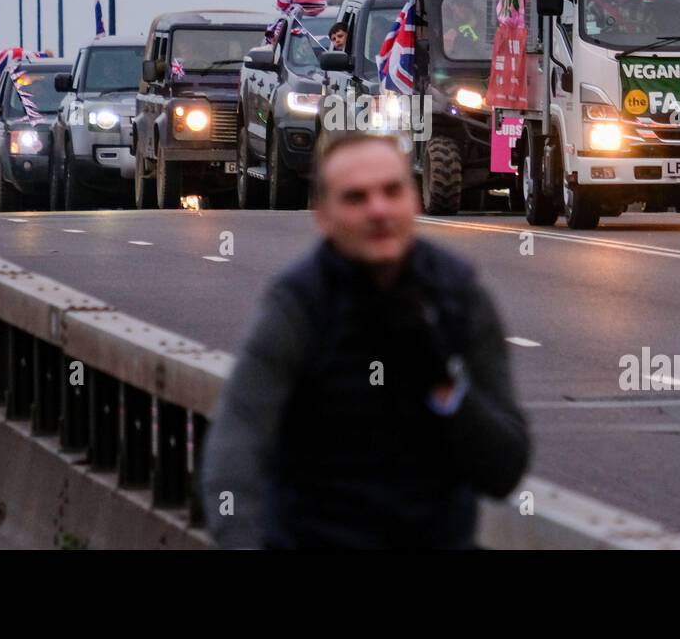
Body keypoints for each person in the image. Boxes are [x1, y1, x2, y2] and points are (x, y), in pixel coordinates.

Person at [200, 132, 530, 548]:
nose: (378, 210)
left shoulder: (457, 294)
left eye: (392, 191)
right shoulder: (299, 305)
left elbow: (504, 471)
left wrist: (446, 389)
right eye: (356, 198)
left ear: (415, 198)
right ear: (323, 215)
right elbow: (238, 443)